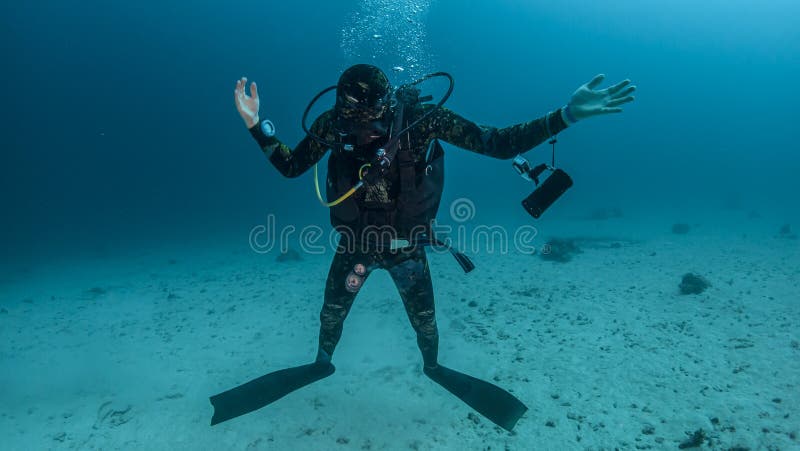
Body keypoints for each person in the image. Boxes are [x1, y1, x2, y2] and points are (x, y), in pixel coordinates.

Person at [210, 64, 635, 431]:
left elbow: (497, 143)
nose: (358, 127)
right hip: (356, 245)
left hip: (406, 247)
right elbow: (291, 166)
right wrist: (255, 125)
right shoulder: (331, 124)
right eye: (349, 114)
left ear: (385, 104)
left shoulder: (422, 120)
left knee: (425, 324)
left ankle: (432, 366)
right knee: (331, 314)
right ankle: (322, 362)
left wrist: (566, 116)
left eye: (366, 117)